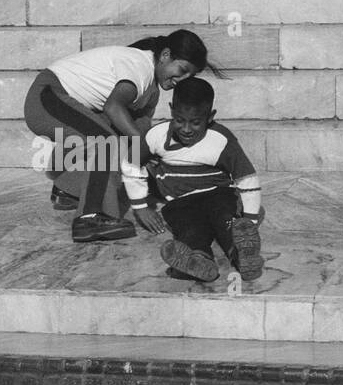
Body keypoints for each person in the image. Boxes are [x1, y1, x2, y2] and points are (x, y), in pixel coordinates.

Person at [24, 29, 218, 243]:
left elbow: (138, 134)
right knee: (106, 142)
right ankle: (89, 218)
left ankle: (67, 189)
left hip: (64, 102)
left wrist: (166, 171)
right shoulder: (140, 66)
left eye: (189, 77)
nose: (181, 80)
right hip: (48, 95)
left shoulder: (151, 91)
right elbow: (113, 107)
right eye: (181, 70)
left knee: (122, 139)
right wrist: (144, 145)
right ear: (165, 55)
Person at [122, 77, 265, 282]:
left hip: (218, 193)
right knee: (189, 229)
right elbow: (130, 163)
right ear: (171, 110)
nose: (186, 129)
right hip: (180, 202)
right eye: (180, 120)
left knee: (226, 220)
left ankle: (243, 254)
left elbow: (246, 178)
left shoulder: (221, 139)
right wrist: (140, 206)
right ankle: (199, 261)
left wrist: (249, 221)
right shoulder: (156, 135)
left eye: (196, 122)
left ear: (210, 117)